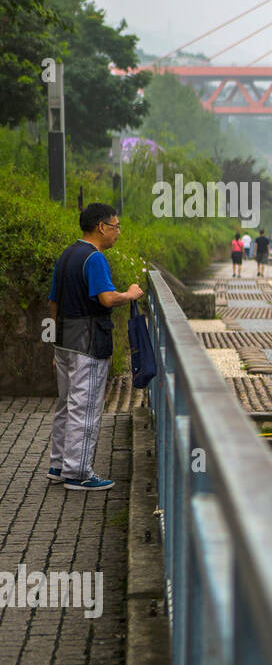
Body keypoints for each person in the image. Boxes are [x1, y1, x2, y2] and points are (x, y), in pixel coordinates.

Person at [47, 203, 144, 491]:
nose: (117, 233)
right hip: (88, 344)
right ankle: (78, 474)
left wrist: (53, 342)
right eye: (115, 227)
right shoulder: (94, 258)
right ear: (101, 227)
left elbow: (53, 301)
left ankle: (59, 465)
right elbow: (106, 299)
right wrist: (129, 294)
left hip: (64, 342)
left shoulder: (67, 254)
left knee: (66, 405)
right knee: (85, 407)